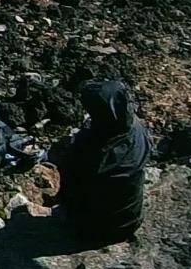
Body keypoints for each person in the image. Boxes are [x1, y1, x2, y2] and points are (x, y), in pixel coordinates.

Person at [59, 78, 152, 242]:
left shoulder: (90, 149)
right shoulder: (136, 129)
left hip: (95, 230)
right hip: (130, 221)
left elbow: (71, 185)